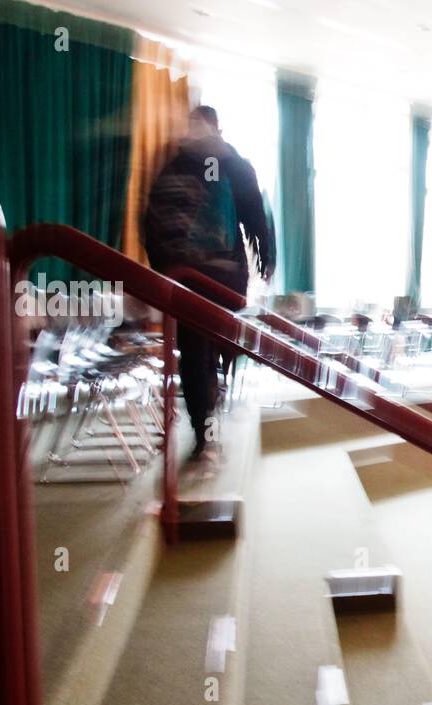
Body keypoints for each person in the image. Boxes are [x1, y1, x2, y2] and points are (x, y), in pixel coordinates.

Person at [143, 105, 274, 459]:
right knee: (204, 351)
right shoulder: (231, 163)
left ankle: (207, 427)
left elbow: (151, 225)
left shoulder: (181, 164)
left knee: (199, 353)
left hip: (199, 280)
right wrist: (266, 259)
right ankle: (208, 425)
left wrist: (165, 272)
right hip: (216, 279)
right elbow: (256, 219)